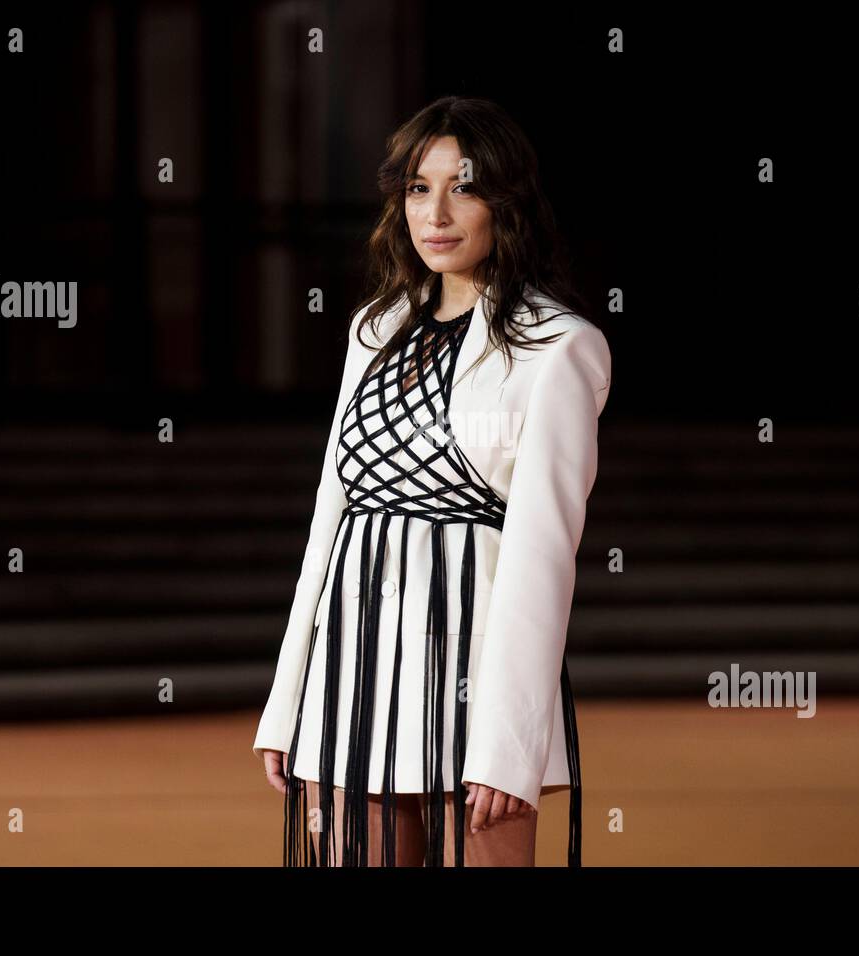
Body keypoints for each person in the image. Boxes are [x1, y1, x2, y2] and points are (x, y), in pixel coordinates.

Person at [252, 96, 611, 866]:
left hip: (473, 685)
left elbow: (543, 553)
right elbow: (331, 517)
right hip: (356, 679)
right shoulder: (372, 330)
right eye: (419, 187)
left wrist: (508, 743)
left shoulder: (560, 348)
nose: (436, 212)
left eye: (464, 186)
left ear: (505, 202)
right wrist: (289, 706)